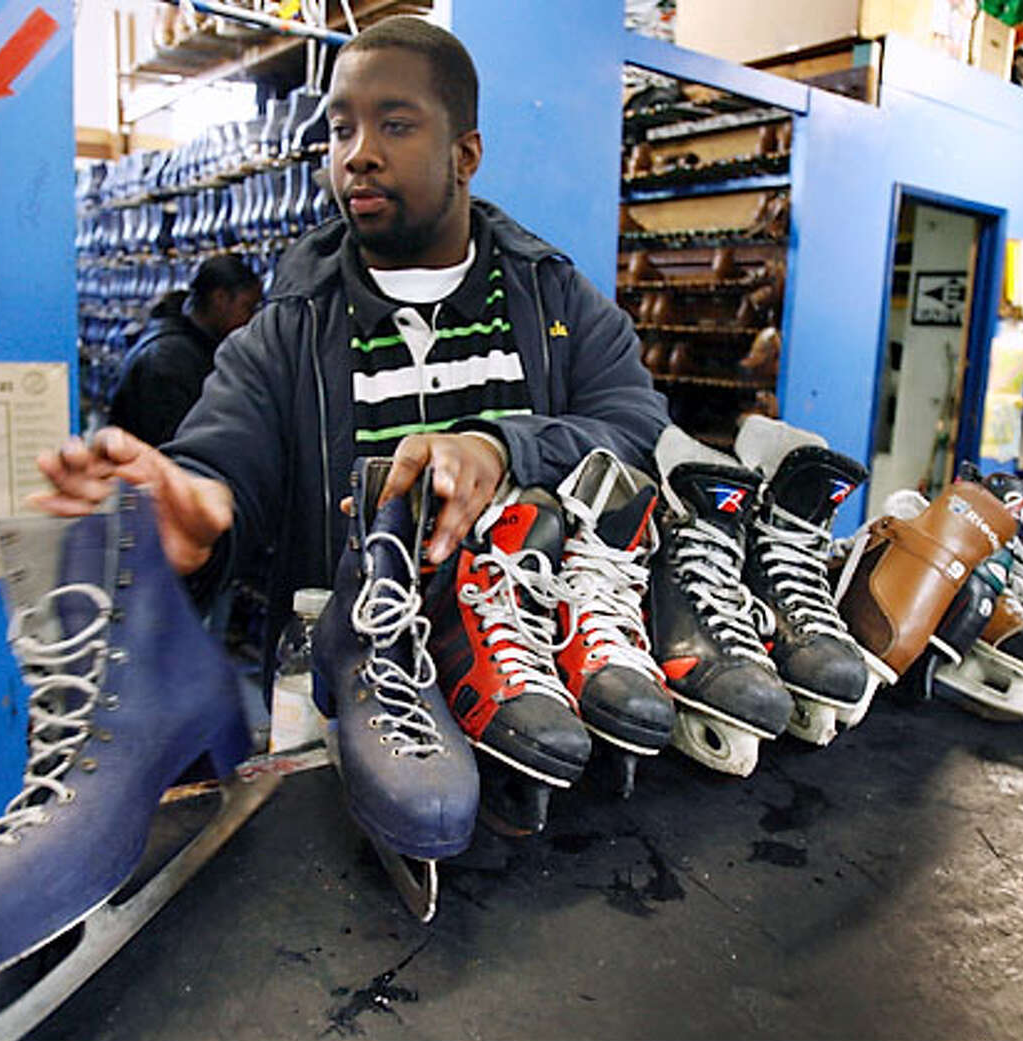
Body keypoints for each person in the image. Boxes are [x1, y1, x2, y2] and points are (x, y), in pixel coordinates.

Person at [33, 15, 668, 647]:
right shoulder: (290, 329)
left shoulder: (553, 298)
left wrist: (503, 450)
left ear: (465, 154)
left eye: (395, 125)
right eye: (342, 130)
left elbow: (640, 432)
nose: (358, 153)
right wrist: (195, 518)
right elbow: (221, 458)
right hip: (360, 698)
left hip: (541, 692)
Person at [107, 255, 263, 447]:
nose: (251, 319)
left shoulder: (186, 345)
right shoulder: (169, 360)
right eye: (247, 307)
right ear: (220, 298)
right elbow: (176, 445)